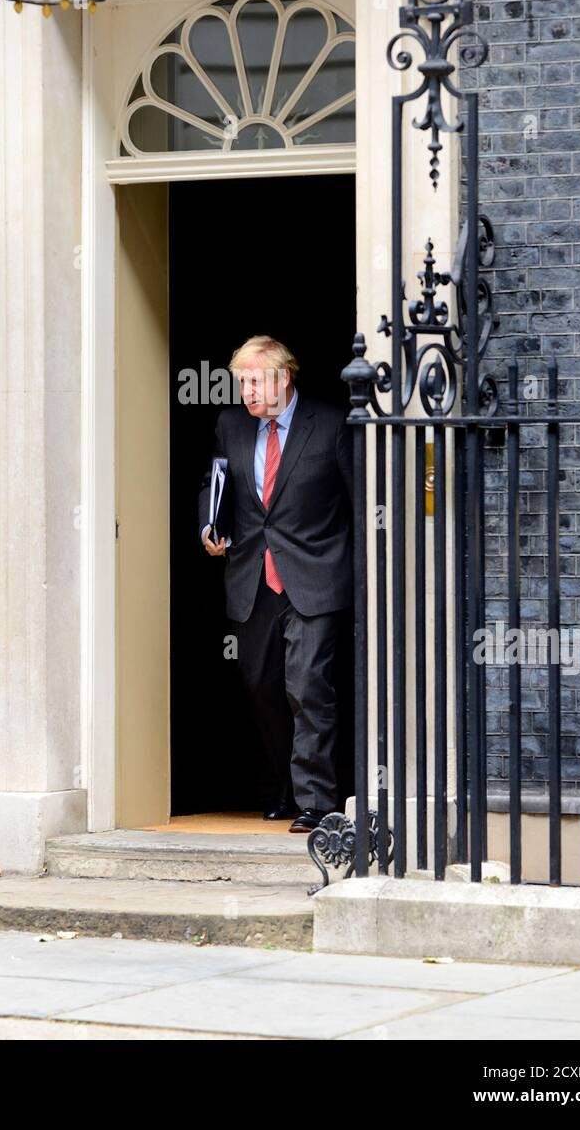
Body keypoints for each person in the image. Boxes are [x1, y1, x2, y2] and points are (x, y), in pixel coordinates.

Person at [198, 335, 353, 833]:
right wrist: (209, 525)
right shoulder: (231, 425)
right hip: (253, 580)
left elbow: (358, 497)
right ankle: (282, 789)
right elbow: (214, 483)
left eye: (255, 381)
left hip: (315, 577)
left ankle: (317, 800)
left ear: (283, 378)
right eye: (241, 381)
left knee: (309, 687)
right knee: (262, 686)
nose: (246, 391)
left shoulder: (330, 423)